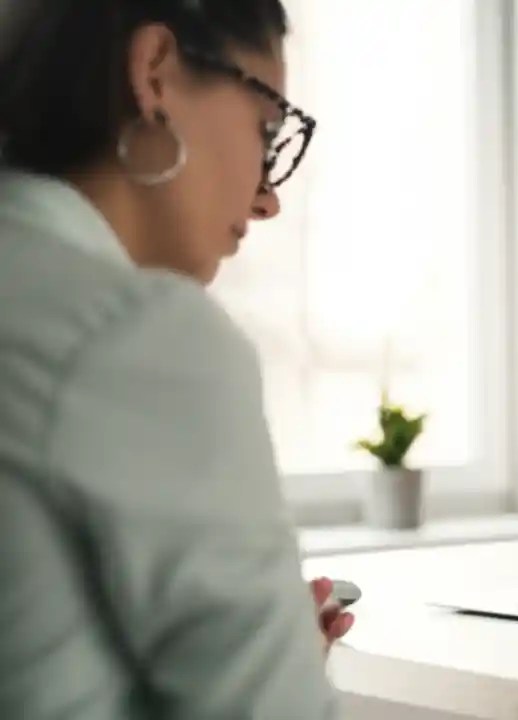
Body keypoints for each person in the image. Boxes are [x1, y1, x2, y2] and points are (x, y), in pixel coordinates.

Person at [0, 0, 352, 716]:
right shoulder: (136, 336)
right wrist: (290, 669)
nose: (266, 199)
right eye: (268, 130)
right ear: (155, 73)